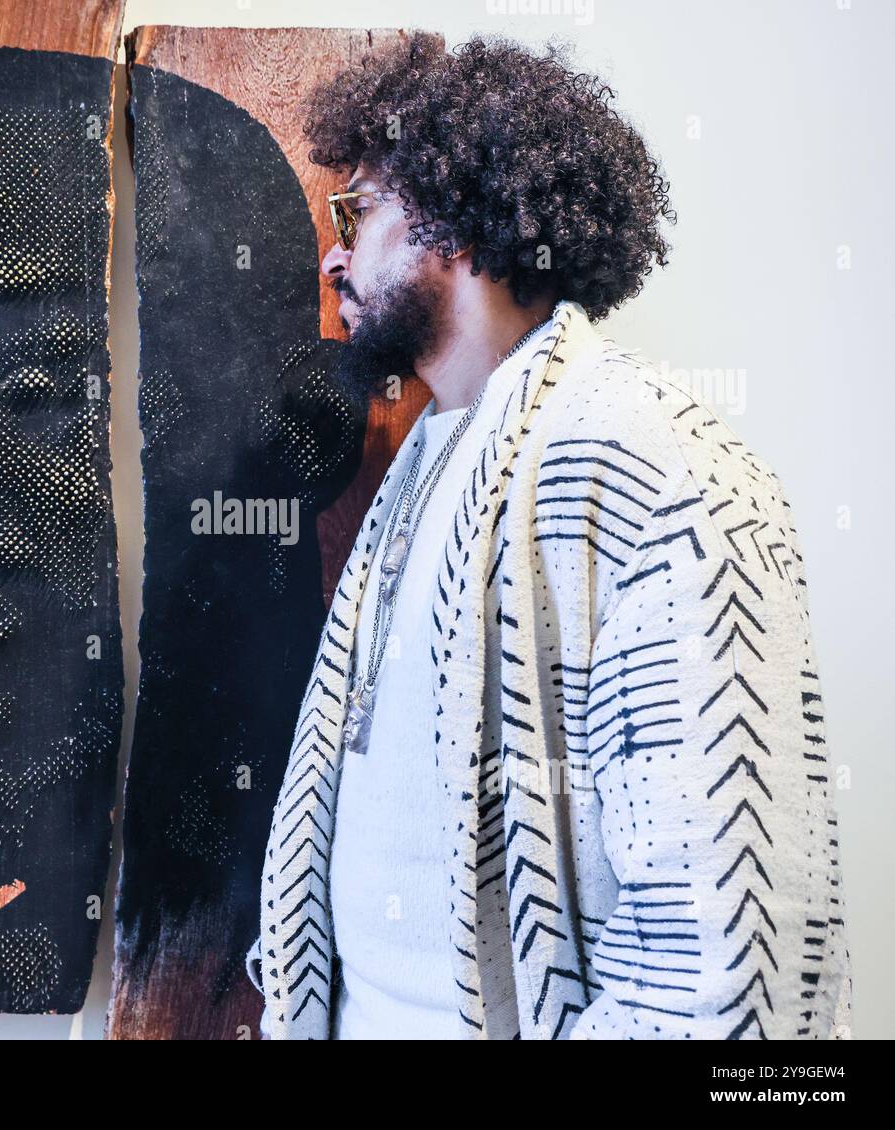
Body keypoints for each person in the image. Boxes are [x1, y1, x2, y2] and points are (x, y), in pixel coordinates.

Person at [246, 32, 853, 1040]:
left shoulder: (660, 467)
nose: (332, 251)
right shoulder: (424, 465)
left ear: (456, 224)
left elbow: (736, 960)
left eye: (356, 209)